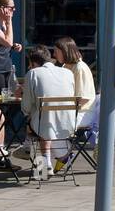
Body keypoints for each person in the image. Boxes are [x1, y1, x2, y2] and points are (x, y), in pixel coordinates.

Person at [18, 45, 79, 174]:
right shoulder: (68, 72)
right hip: (68, 124)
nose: (29, 67)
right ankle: (49, 161)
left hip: (44, 124)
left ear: (34, 63)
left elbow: (26, 106)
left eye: (30, 64)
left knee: (38, 118)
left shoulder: (33, 73)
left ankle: (39, 160)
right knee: (44, 116)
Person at [53, 37, 98, 146]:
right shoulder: (65, 67)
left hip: (83, 113)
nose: (54, 55)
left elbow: (83, 99)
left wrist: (62, 108)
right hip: (70, 111)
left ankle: (62, 154)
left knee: (49, 122)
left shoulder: (80, 68)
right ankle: (60, 153)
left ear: (64, 51)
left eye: (56, 52)